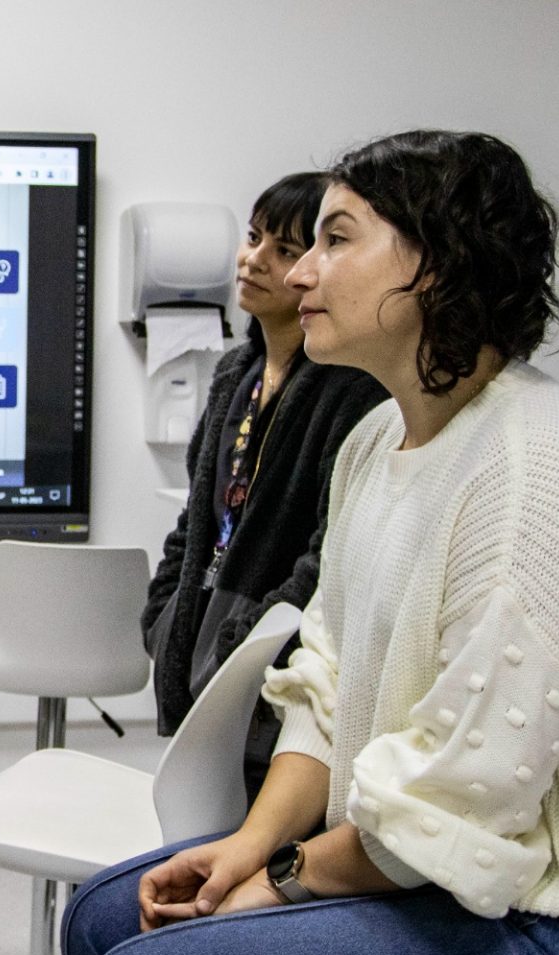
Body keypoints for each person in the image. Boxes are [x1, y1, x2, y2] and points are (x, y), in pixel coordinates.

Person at [64, 130, 559, 955]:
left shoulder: (542, 465)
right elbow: (322, 683)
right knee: (102, 920)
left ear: (437, 266)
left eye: (335, 239)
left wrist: (284, 878)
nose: (300, 273)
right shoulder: (374, 442)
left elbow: (462, 804)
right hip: (428, 871)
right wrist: (254, 843)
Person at [144, 172, 385, 797]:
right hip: (201, 621)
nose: (254, 260)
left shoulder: (351, 390)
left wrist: (252, 642)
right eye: (253, 238)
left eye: (282, 249)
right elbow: (197, 515)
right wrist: (164, 613)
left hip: (273, 654)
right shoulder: (236, 373)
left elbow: (329, 548)